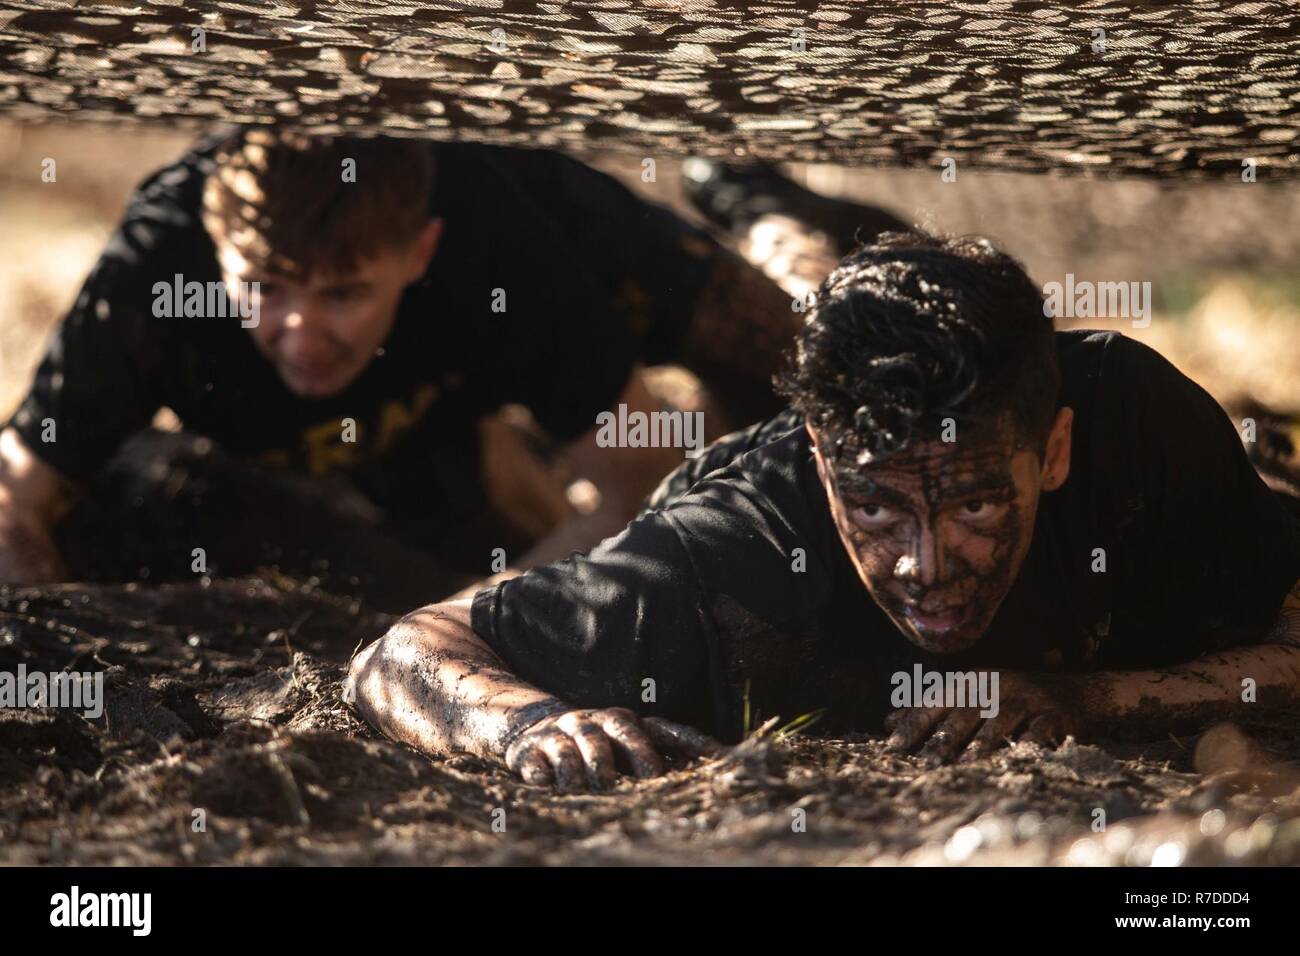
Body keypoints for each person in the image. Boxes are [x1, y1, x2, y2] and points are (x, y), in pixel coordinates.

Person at [348, 231, 1300, 791]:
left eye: (973, 501)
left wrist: (1085, 703)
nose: (926, 565)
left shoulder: (1134, 432)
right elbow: (404, 651)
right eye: (877, 509)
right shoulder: (730, 561)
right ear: (822, 463)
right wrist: (522, 727)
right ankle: (778, 236)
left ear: (1051, 453)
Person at [0, 129, 817, 599]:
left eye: (343, 295)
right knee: (476, 537)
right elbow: (15, 497)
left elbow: (639, 480)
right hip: (430, 402)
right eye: (264, 289)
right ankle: (502, 450)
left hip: (587, 249)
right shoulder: (152, 275)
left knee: (812, 356)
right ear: (217, 255)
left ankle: (771, 213)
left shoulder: (496, 249)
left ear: (420, 251)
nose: (301, 331)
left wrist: (442, 634)